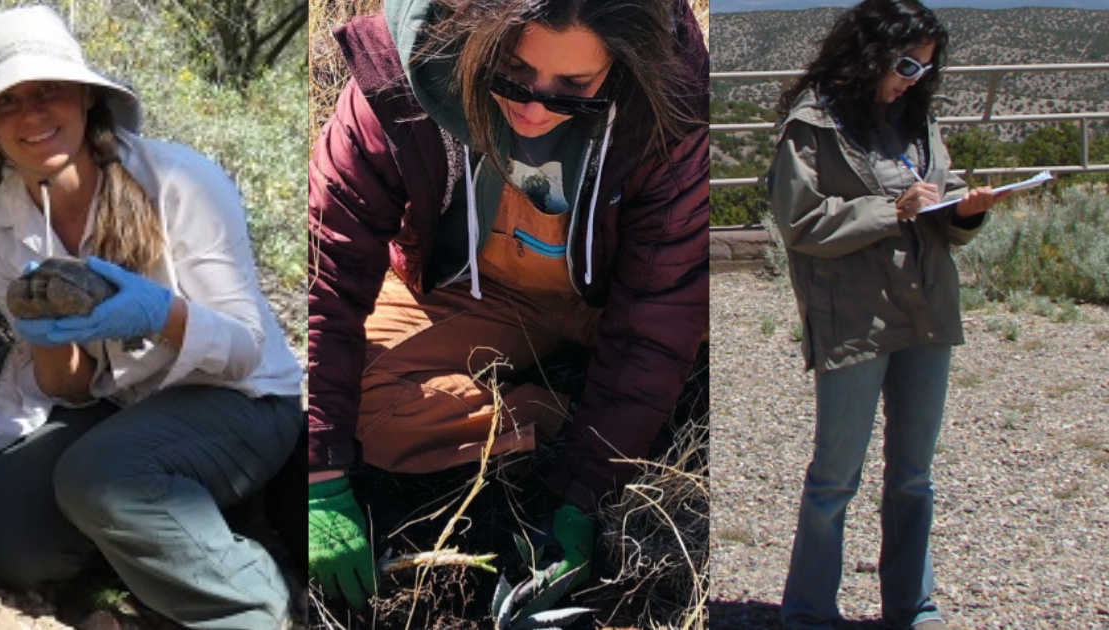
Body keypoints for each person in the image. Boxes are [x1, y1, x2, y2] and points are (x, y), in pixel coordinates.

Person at [306, 0, 709, 610]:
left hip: (614, 298)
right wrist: (317, 473)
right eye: (509, 73)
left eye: (575, 89)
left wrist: (582, 498)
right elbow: (325, 274)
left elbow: (656, 315)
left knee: (698, 317)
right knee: (353, 400)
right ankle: (561, 421)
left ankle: (605, 437)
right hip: (477, 290)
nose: (534, 107)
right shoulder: (395, 80)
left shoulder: (669, 111)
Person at [0, 6, 304, 629]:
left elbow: (244, 347)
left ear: (84, 98)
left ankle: (254, 604)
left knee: (101, 475)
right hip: (128, 408)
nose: (32, 115)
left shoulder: (179, 181)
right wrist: (44, 338)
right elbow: (72, 390)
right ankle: (176, 535)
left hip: (241, 399)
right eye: (7, 103)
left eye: (47, 90)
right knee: (18, 539)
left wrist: (160, 313)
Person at [766, 1, 1008, 629]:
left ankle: (912, 606)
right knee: (834, 480)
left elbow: (937, 217)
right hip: (854, 318)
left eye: (925, 68)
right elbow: (800, 222)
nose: (914, 78)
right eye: (905, 63)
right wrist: (890, 209)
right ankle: (810, 613)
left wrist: (966, 212)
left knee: (913, 477)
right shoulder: (811, 125)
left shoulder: (917, 123)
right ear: (868, 51)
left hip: (926, 312)